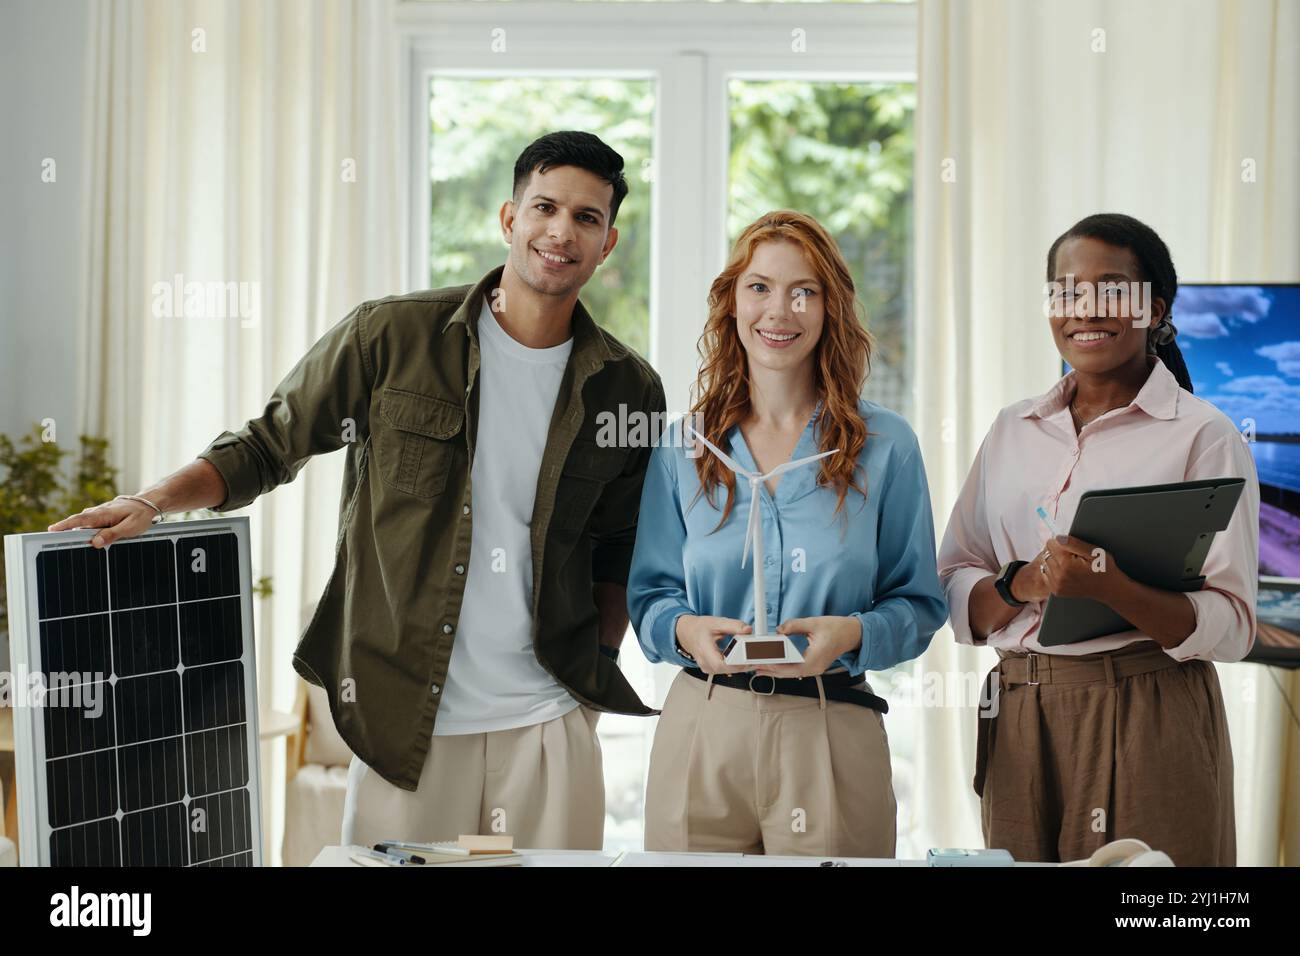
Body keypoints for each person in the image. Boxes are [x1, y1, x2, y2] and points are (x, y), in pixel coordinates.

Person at [49, 130, 666, 851]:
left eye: (586, 218)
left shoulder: (627, 387)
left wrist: (587, 684)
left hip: (548, 724)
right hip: (406, 723)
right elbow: (266, 444)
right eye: (546, 207)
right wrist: (153, 501)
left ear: (608, 243)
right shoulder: (392, 336)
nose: (562, 231)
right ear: (509, 218)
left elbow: (620, 550)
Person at [937, 212, 1259, 866]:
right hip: (1021, 713)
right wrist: (1022, 582)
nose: (1085, 308)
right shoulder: (1011, 430)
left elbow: (1232, 626)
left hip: (1149, 710)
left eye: (1112, 289)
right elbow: (953, 582)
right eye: (1065, 290)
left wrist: (1113, 589)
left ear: (1155, 309)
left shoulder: (1204, 436)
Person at [627, 210, 947, 856]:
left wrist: (852, 634)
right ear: (732, 302)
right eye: (760, 287)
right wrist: (686, 631)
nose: (780, 310)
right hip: (703, 724)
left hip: (830, 727)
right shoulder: (682, 448)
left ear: (830, 307)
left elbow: (919, 605)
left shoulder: (888, 448)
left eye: (804, 291)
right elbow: (650, 598)